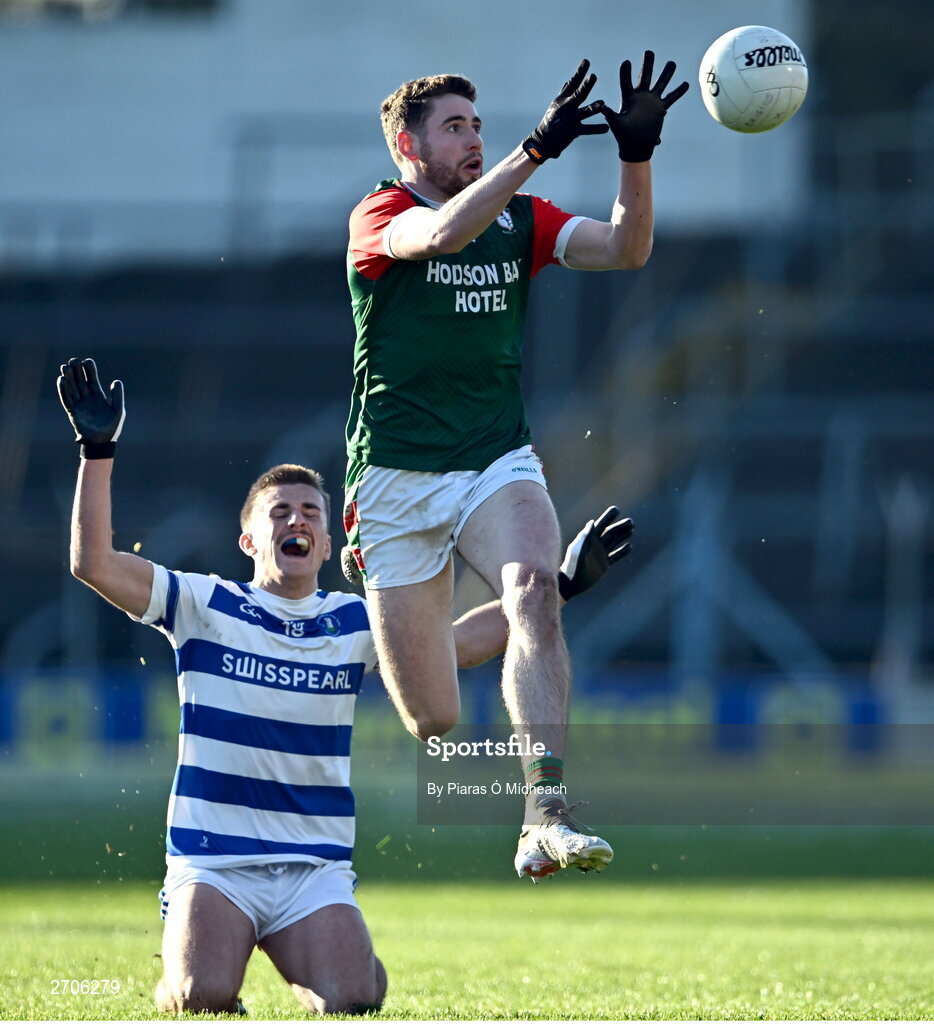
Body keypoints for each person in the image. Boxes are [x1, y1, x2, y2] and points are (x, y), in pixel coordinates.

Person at [57, 357, 632, 1014]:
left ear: (329, 544)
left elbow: (466, 643)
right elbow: (93, 563)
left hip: (313, 868)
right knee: (202, 995)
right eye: (280, 512)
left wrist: (556, 587)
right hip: (215, 863)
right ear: (249, 537)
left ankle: (331, 959)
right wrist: (96, 451)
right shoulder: (202, 604)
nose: (296, 522)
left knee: (355, 999)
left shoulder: (354, 619)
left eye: (309, 513)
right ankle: (185, 971)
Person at [343, 54, 686, 879]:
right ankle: (561, 586)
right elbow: (440, 233)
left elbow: (625, 248)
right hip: (394, 479)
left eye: (477, 125)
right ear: (406, 144)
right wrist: (531, 148)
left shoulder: (520, 218)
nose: (472, 137)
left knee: (529, 589)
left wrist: (634, 157)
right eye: (454, 127)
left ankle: (545, 811)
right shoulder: (380, 213)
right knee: (433, 715)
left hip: (496, 456)